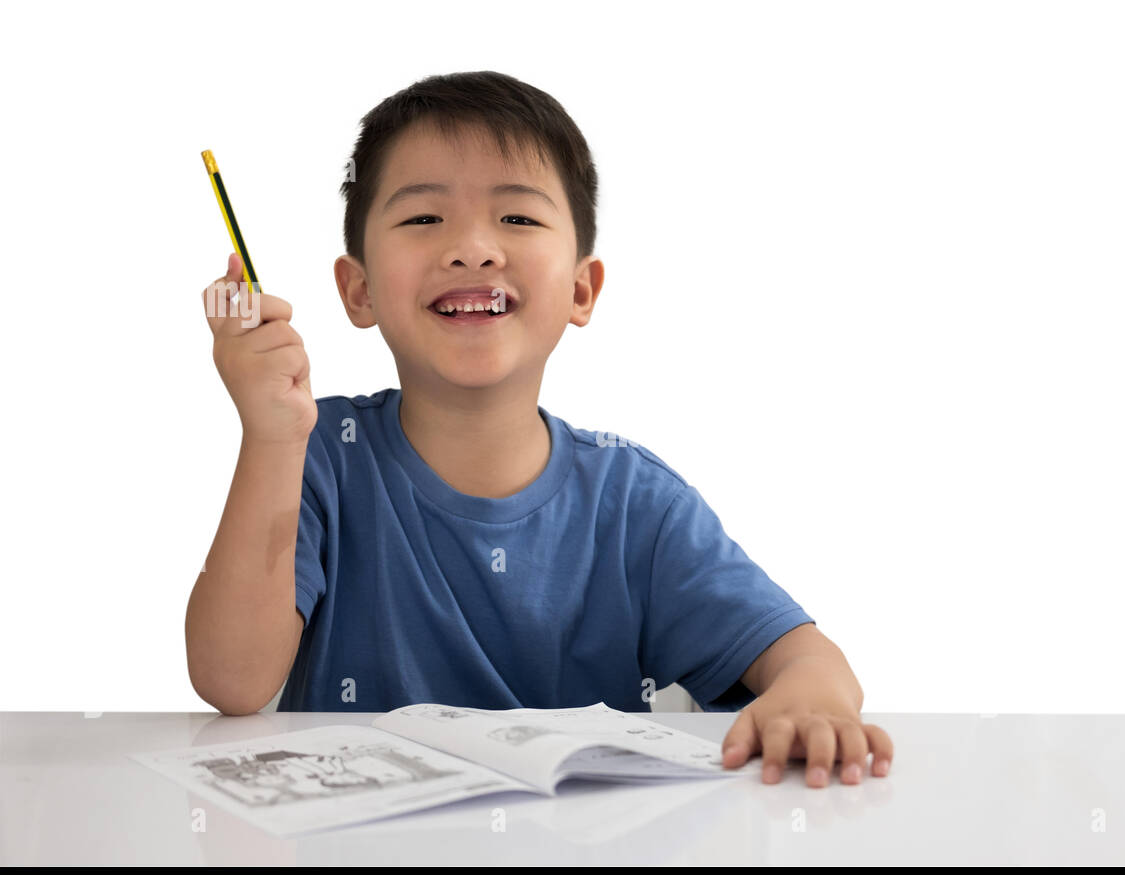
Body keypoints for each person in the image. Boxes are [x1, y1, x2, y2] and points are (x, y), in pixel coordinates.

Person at [188, 71, 892, 788]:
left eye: (517, 219)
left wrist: (811, 695)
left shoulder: (636, 503)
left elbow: (807, 659)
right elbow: (232, 680)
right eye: (423, 218)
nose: (472, 248)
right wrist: (271, 435)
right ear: (358, 290)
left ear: (582, 289)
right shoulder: (315, 455)